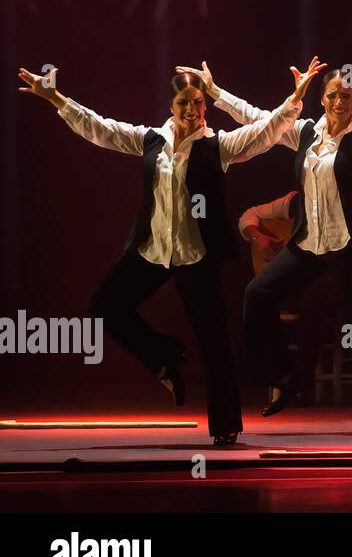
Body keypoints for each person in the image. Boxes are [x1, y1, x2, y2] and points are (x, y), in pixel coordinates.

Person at [17, 59, 317, 445]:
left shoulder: (218, 145)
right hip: (153, 250)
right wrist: (55, 97)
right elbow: (100, 128)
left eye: (197, 103)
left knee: (214, 342)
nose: (191, 111)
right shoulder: (150, 141)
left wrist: (295, 99)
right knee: (103, 305)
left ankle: (225, 426)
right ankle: (163, 359)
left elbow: (264, 132)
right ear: (170, 106)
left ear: (204, 105)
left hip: (197, 255)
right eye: (183, 104)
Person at [176, 60, 352, 435]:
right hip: (308, 242)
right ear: (322, 99)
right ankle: (284, 376)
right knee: (257, 293)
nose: (338, 102)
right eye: (332, 95)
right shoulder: (303, 133)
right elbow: (256, 116)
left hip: (348, 244)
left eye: (345, 96)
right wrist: (215, 93)